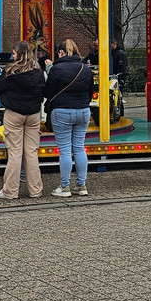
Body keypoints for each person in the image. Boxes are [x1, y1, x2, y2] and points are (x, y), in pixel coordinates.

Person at [0, 40, 46, 200]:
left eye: (14, 53)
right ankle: (35, 190)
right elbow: (44, 92)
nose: (12, 56)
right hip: (33, 115)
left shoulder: (10, 71)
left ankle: (10, 191)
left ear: (19, 54)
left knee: (15, 152)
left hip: (14, 114)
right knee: (31, 152)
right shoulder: (38, 72)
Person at [45, 38, 95, 197]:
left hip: (62, 111)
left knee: (65, 150)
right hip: (83, 111)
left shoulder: (56, 69)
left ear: (61, 52)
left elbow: (48, 92)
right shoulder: (85, 68)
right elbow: (90, 91)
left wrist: (49, 70)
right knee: (79, 147)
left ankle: (65, 186)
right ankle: (82, 185)